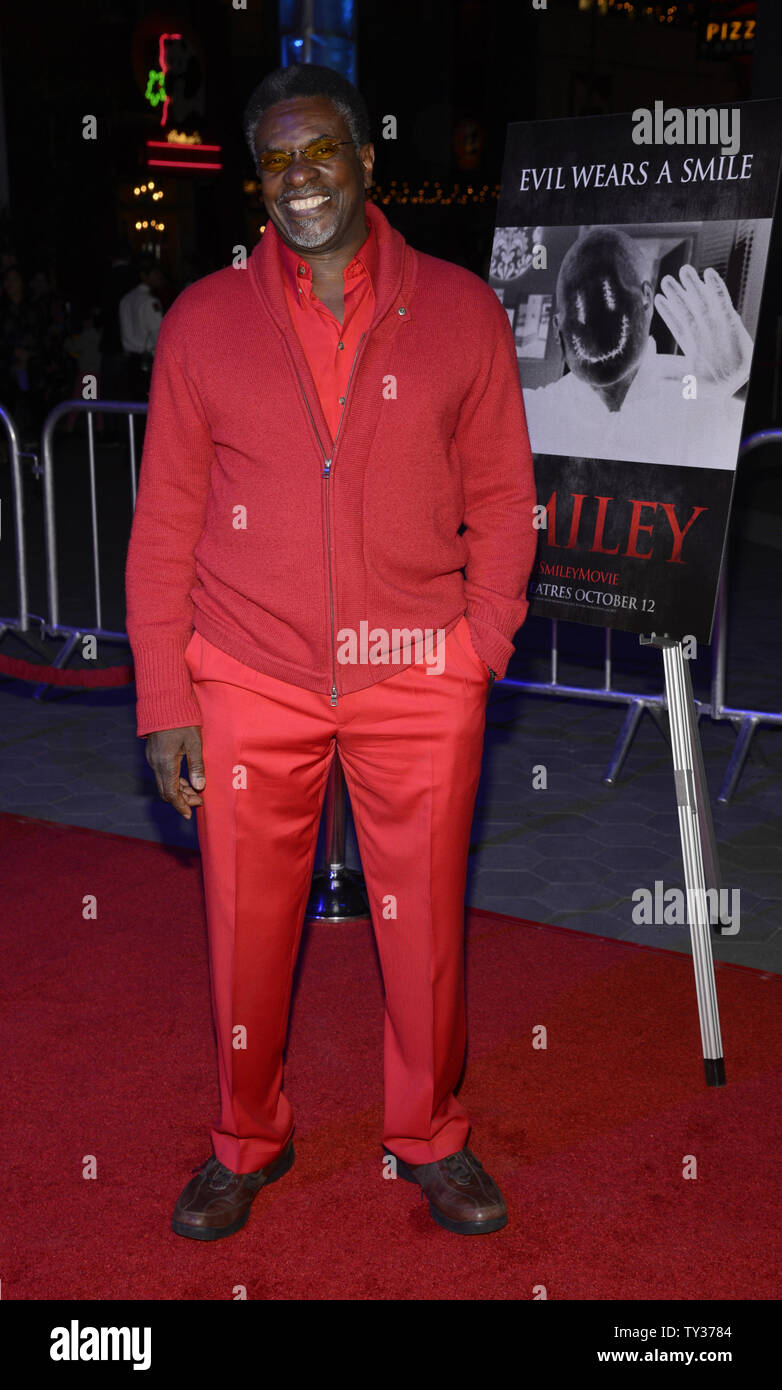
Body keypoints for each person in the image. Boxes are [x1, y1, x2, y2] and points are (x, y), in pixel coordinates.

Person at [124, 63, 537, 1242]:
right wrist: (167, 694)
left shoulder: (461, 309)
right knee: (246, 940)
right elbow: (161, 528)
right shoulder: (205, 321)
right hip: (247, 675)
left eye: (318, 153)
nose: (296, 177)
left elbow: (506, 497)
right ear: (256, 185)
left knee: (425, 938)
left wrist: (477, 648)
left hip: (418, 671)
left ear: (364, 161)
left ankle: (431, 1137)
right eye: (274, 161)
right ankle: (246, 1139)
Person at [522, 225, 752, 470]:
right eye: (578, 309)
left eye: (608, 300)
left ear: (645, 297)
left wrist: (731, 395)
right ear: (559, 327)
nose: (594, 326)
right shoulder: (538, 412)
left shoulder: (698, 387)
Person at [118, 253, 165, 400]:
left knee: (135, 407)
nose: (159, 276)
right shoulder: (150, 302)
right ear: (143, 275)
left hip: (130, 363)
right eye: (155, 272)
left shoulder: (125, 299)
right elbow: (160, 337)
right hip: (148, 364)